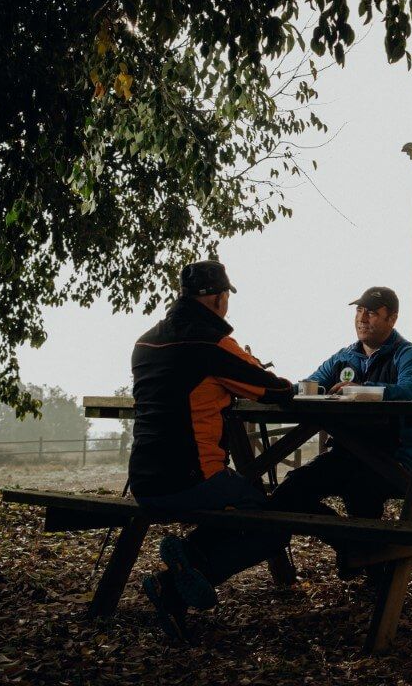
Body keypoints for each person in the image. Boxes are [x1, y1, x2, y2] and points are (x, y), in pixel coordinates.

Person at [128, 260, 296, 639]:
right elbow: (274, 389)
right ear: (220, 298)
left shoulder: (145, 342)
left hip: (143, 480)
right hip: (190, 480)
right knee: (272, 525)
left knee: (243, 505)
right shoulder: (211, 343)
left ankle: (187, 562)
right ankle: (181, 576)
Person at [269, 286, 412, 528]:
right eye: (360, 311)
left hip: (393, 459)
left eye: (372, 313)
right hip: (345, 455)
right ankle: (349, 547)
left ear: (392, 319)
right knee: (290, 489)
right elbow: (307, 388)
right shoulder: (343, 357)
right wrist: (266, 386)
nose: (362, 319)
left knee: (361, 492)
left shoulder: (407, 355)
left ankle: (367, 559)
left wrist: (358, 390)